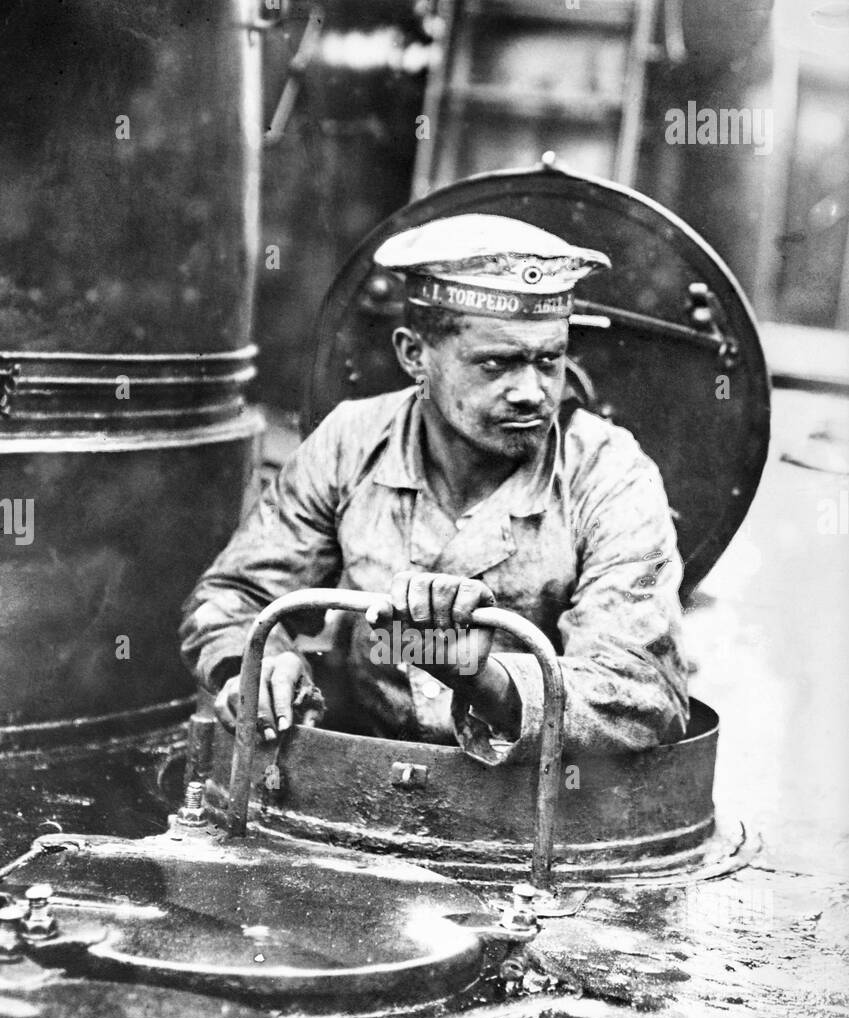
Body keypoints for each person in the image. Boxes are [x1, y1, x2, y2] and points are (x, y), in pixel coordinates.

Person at [180, 213, 688, 766]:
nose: (530, 392)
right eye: (496, 363)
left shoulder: (611, 473)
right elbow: (233, 596)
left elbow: (641, 690)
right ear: (414, 355)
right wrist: (255, 665)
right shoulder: (351, 441)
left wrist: (482, 680)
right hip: (353, 780)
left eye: (549, 360)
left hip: (530, 806)